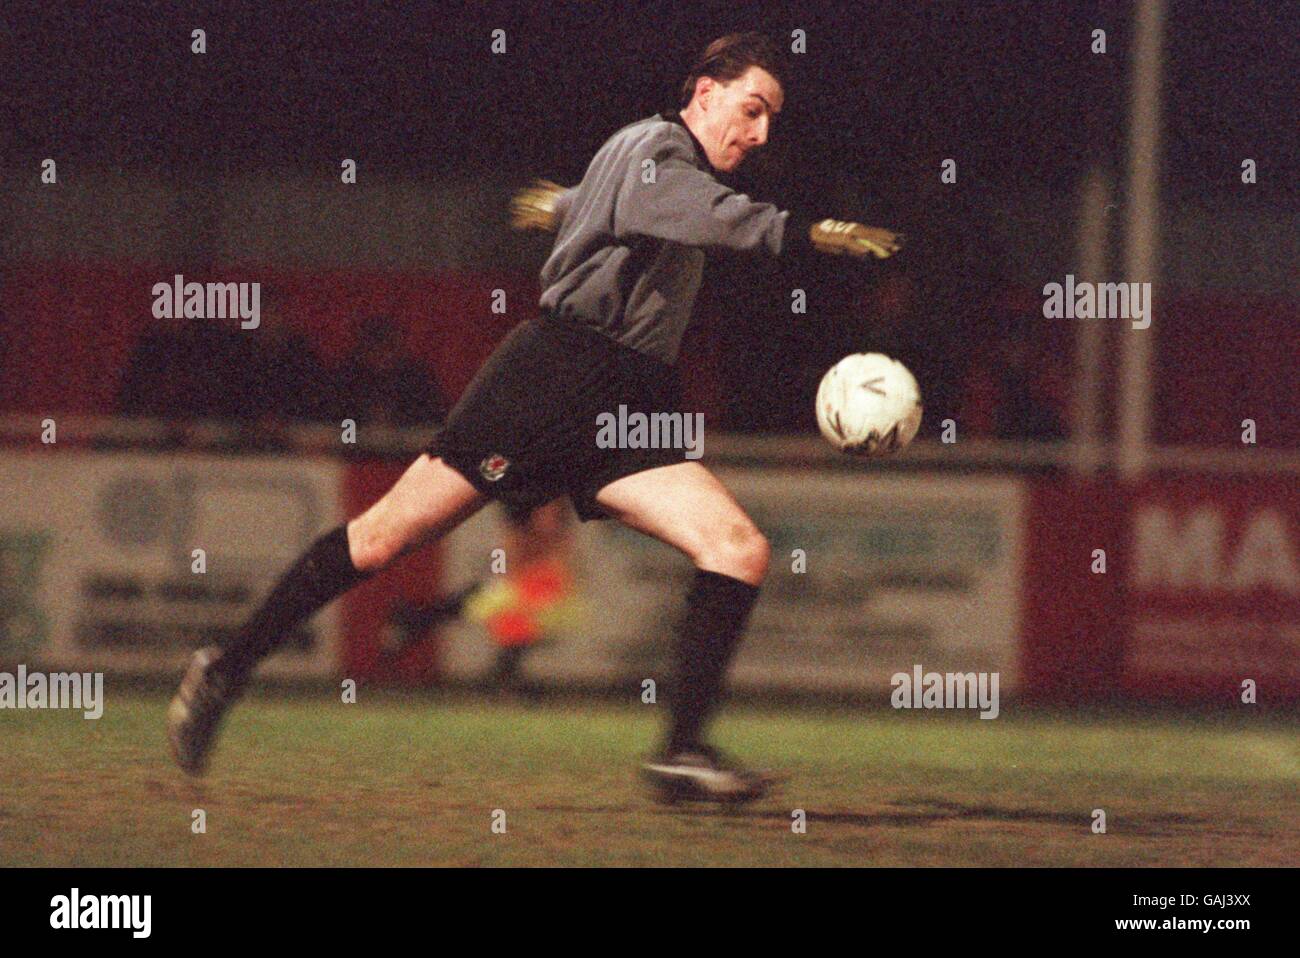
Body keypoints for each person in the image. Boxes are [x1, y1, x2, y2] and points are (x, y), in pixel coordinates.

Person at [168, 32, 902, 805]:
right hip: (554, 376)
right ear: (705, 93)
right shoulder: (660, 150)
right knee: (382, 537)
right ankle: (222, 669)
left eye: (771, 120)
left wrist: (563, 204)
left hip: (633, 394)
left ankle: (680, 754)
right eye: (752, 110)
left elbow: (625, 203)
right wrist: (798, 231)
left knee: (737, 549)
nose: (759, 134)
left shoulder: (647, 158)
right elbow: (687, 209)